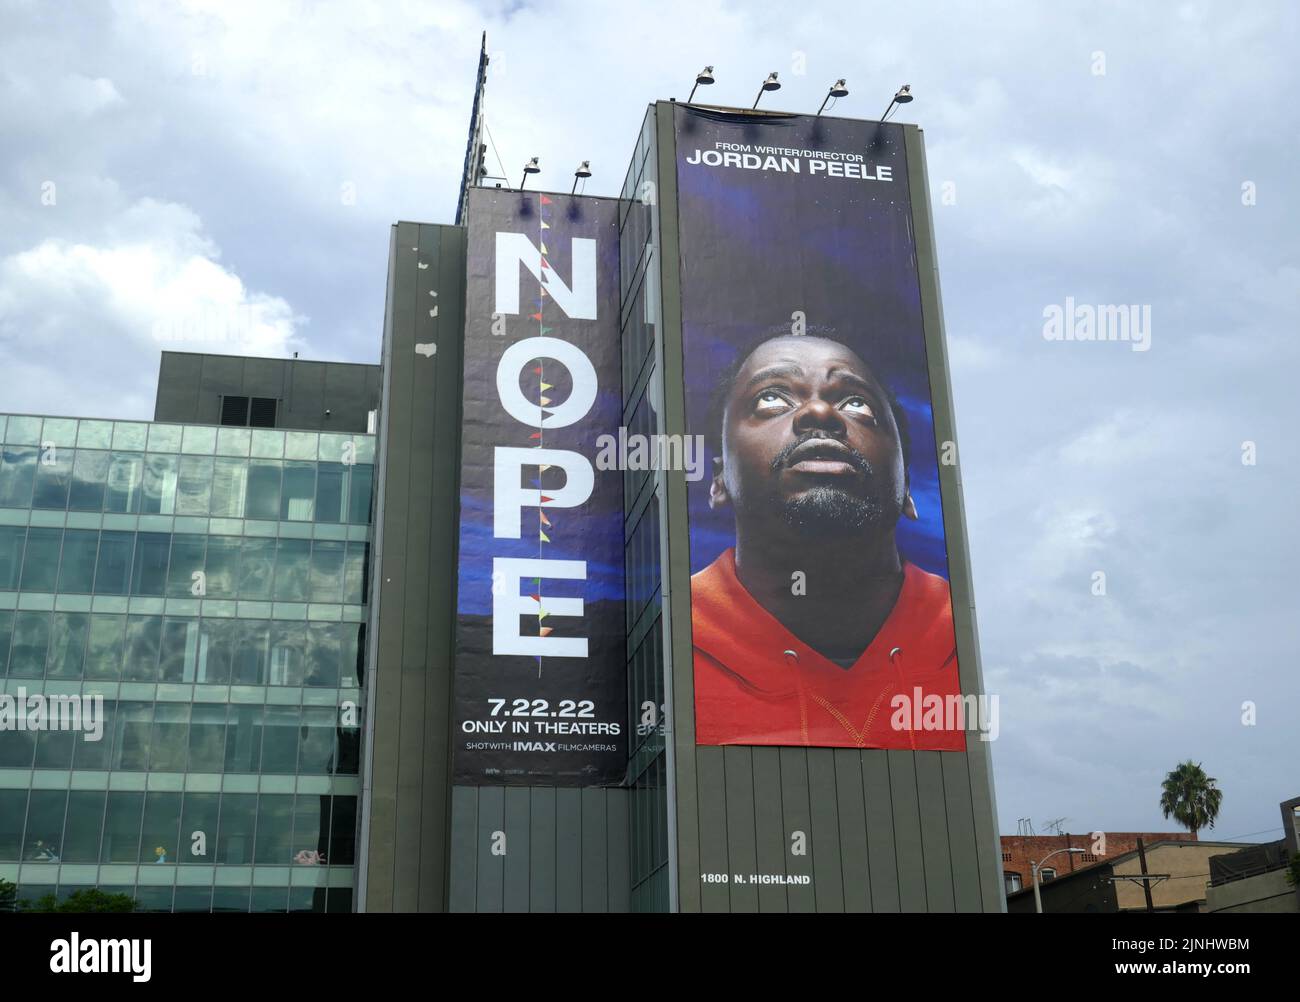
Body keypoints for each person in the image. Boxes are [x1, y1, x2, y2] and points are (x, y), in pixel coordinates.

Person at [691, 333, 964, 750]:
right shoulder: (666, 642)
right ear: (718, 480)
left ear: (906, 485)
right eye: (771, 399)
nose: (819, 412)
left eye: (857, 403)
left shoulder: (973, 644)